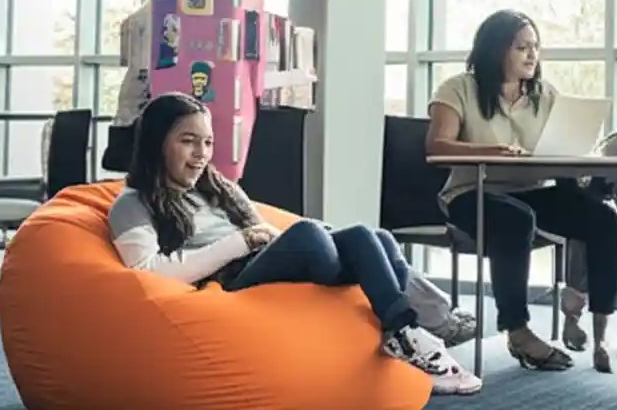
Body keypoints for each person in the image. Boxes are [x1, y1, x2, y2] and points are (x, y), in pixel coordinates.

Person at [108, 92, 482, 396]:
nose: (201, 154)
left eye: (207, 142)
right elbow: (146, 272)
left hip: (258, 258)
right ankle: (413, 336)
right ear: (157, 144)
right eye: (187, 142)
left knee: (374, 237)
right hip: (229, 279)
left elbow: (259, 231)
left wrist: (257, 237)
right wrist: (242, 242)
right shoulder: (134, 202)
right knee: (310, 237)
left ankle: (404, 333)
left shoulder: (216, 188)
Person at [427, 9, 617, 373]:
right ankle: (517, 330)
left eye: (535, 47)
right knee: (516, 219)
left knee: (604, 216)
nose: (532, 55)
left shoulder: (544, 94)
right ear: (496, 50)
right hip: (471, 193)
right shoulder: (457, 88)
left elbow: (560, 146)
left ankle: (600, 331)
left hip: (530, 190)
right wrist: (491, 152)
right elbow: (437, 147)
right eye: (522, 47)